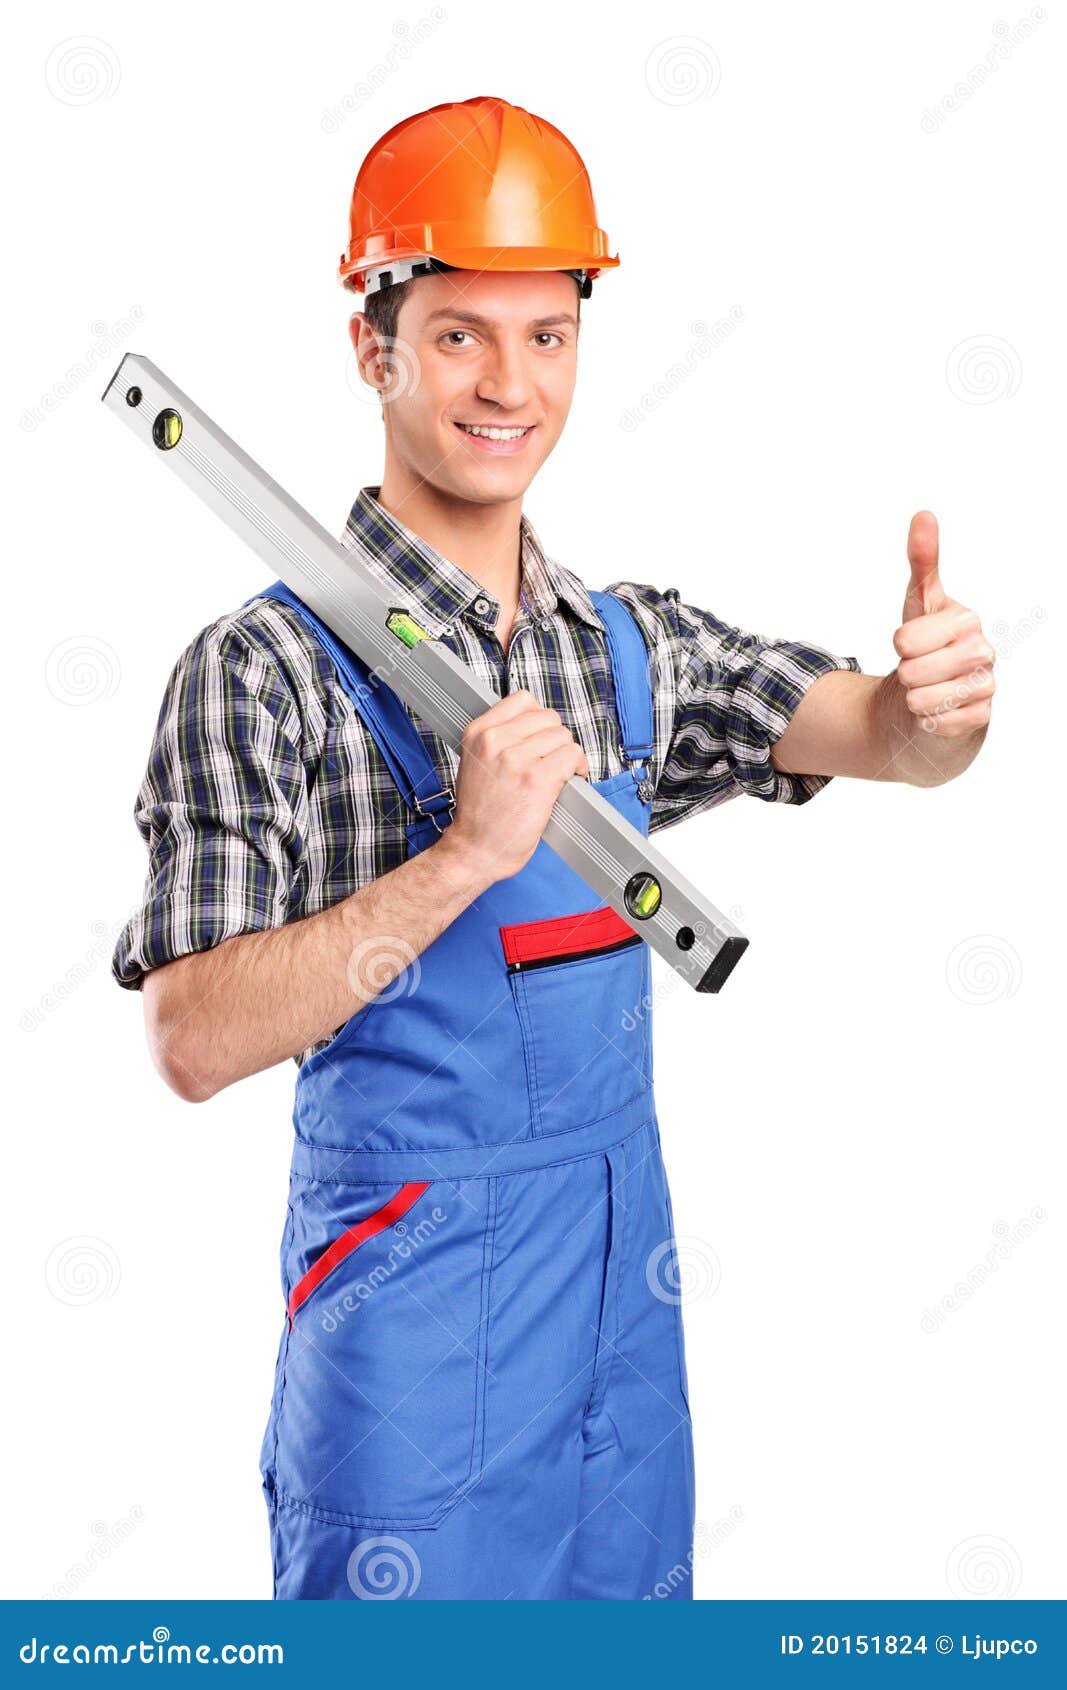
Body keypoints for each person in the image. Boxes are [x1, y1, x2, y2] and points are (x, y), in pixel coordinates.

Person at [111, 96, 995, 1601]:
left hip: (619, 1323)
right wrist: (459, 856)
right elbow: (191, 1038)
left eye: (547, 334)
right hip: (406, 1333)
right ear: (373, 347)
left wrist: (932, 716)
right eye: (457, 333)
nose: (508, 383)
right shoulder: (263, 673)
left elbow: (876, 735)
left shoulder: (627, 650)